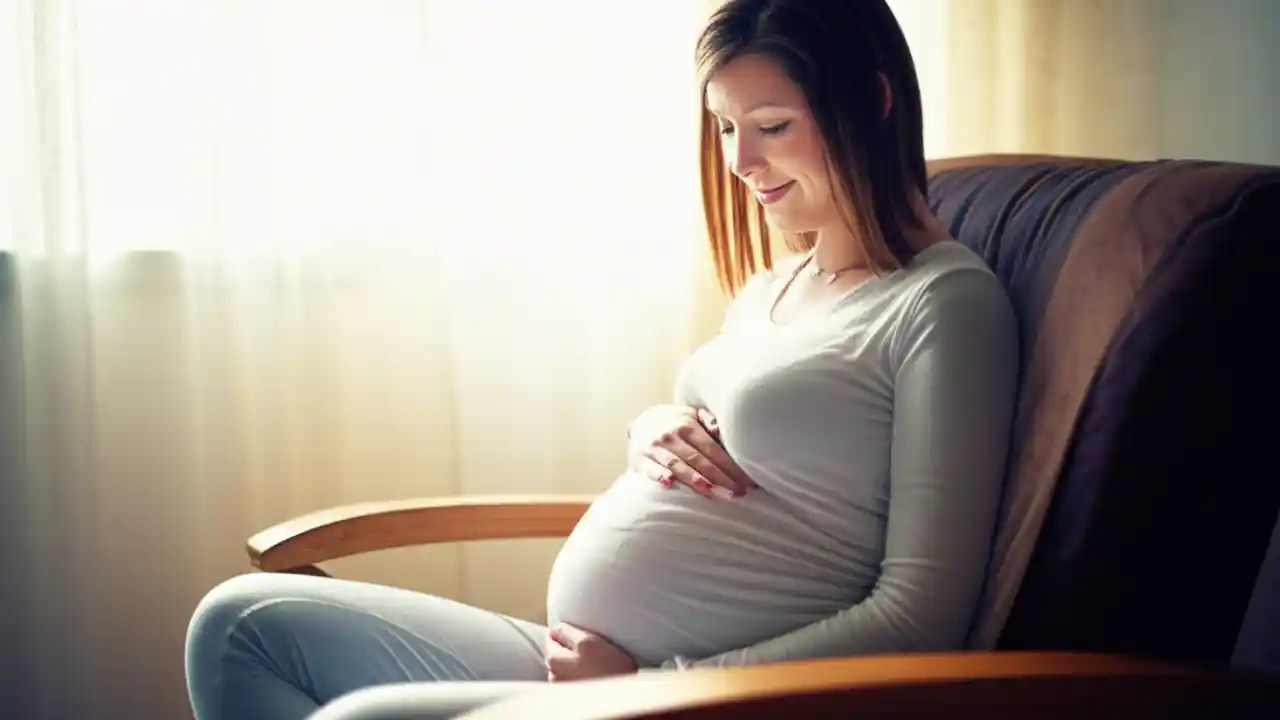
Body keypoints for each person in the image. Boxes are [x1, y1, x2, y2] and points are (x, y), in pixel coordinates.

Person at [184, 1, 1019, 718]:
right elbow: (747, 452)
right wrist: (651, 426)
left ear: (872, 102)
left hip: (691, 697)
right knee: (239, 624)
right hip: (590, 666)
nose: (739, 163)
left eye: (771, 128)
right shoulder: (776, 286)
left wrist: (659, 686)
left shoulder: (944, 305)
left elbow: (920, 616)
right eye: (726, 127)